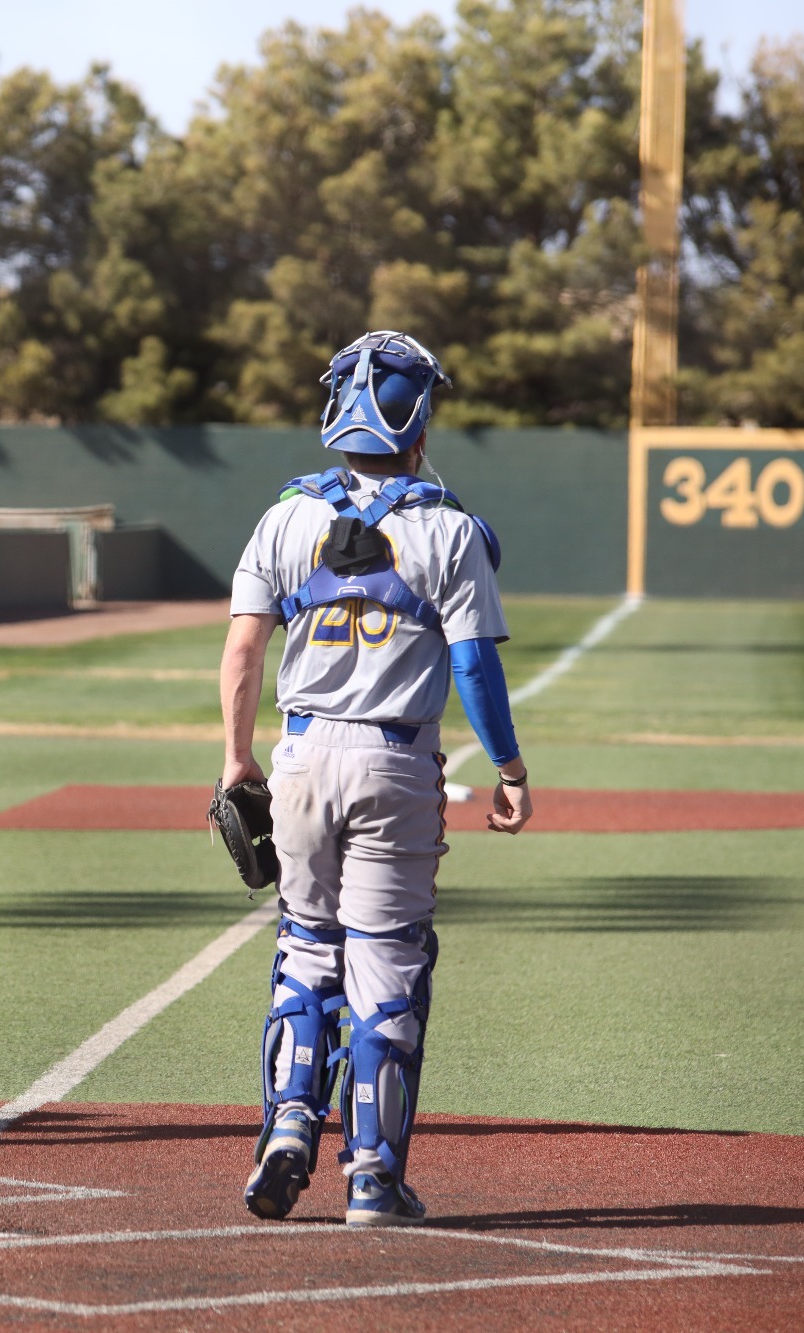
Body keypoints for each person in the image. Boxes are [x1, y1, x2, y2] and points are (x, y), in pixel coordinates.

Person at [221, 330, 532, 1229]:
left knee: (306, 948)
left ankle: (286, 1131)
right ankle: (372, 1178)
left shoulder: (284, 517)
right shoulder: (450, 528)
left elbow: (244, 650)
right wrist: (508, 768)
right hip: (396, 760)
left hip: (301, 753)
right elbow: (474, 670)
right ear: (419, 425)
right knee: (389, 963)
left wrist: (238, 759)